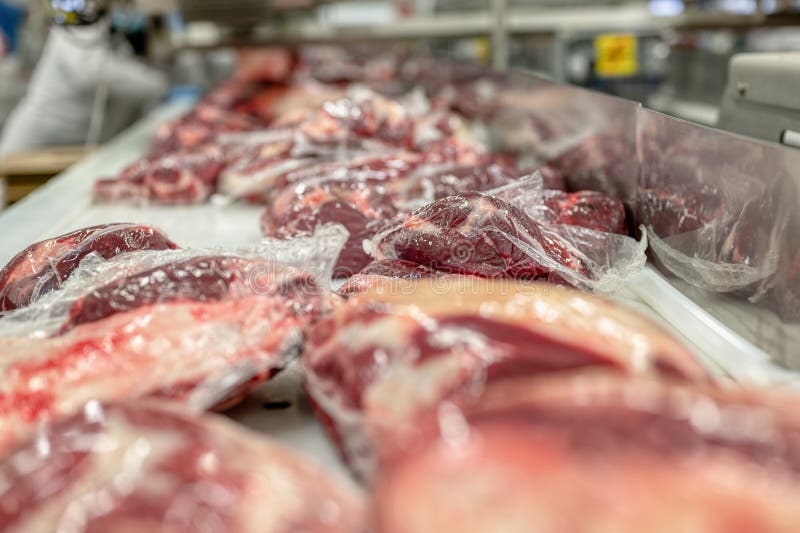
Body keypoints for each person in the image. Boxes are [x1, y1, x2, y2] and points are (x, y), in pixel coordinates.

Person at [0, 0, 167, 157]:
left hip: (75, 146)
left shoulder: (115, 34)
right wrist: (158, 85)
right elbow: (90, 73)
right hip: (35, 141)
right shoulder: (76, 29)